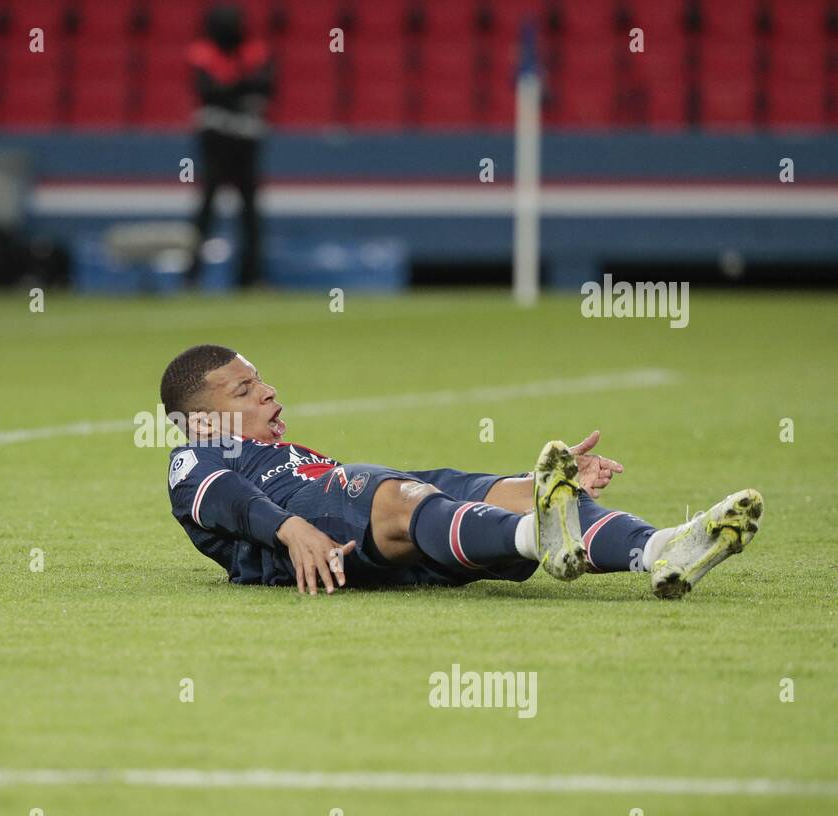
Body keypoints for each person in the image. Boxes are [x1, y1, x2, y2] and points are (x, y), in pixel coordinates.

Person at [160, 345, 763, 598]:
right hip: (329, 525)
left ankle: (665, 547)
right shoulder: (197, 457)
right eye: (246, 389)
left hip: (363, 508)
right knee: (397, 498)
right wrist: (290, 530)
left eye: (262, 379)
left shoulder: (284, 454)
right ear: (204, 420)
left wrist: (539, 484)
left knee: (511, 490)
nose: (268, 391)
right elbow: (225, 500)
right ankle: (536, 536)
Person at [186, 4, 273, 288]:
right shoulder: (203, 53)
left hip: (246, 140)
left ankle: (251, 276)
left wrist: (229, 90)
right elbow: (207, 91)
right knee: (206, 209)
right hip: (215, 140)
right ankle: (192, 274)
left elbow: (265, 86)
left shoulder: (256, 50)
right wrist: (241, 89)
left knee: (249, 211)